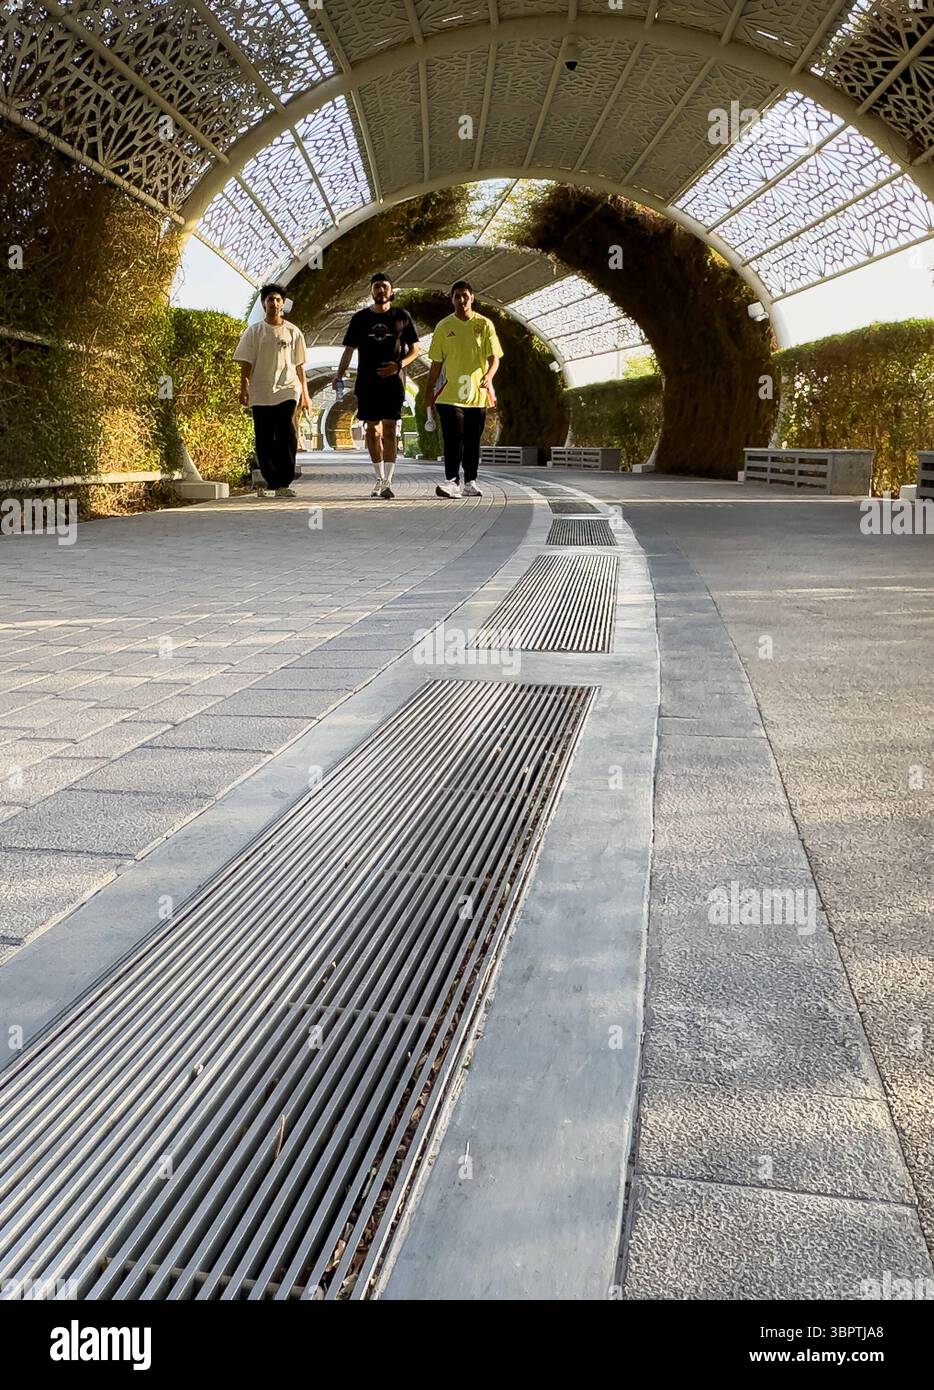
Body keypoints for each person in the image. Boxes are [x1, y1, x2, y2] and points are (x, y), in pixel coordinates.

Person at [332, 273, 421, 499]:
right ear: (371, 291)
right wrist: (339, 375)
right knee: (372, 431)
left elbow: (415, 350)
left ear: (391, 290)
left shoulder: (402, 316)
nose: (381, 290)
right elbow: (349, 350)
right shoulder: (360, 318)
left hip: (393, 382)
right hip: (367, 382)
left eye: (384, 286)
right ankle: (379, 478)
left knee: (390, 429)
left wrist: (398, 365)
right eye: (377, 286)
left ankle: (388, 481)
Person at [425, 281, 502, 499]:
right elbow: (436, 364)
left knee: (472, 441)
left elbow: (494, 358)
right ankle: (452, 481)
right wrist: (428, 393)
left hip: (477, 395)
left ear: (472, 298)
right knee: (453, 437)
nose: (461, 300)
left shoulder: (484, 324)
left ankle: (470, 482)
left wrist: (488, 376)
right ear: (452, 299)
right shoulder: (443, 326)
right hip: (449, 394)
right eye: (457, 296)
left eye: (465, 296)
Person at [234, 284, 311, 499]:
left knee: (286, 433)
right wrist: (244, 388)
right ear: (263, 303)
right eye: (270, 299)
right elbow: (246, 363)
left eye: (278, 300)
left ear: (283, 304)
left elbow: (300, 366)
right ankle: (272, 480)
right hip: (261, 391)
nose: (274, 303)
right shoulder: (254, 332)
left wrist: (305, 395)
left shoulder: (293, 332)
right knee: (264, 437)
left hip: (287, 389)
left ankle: (284, 481)